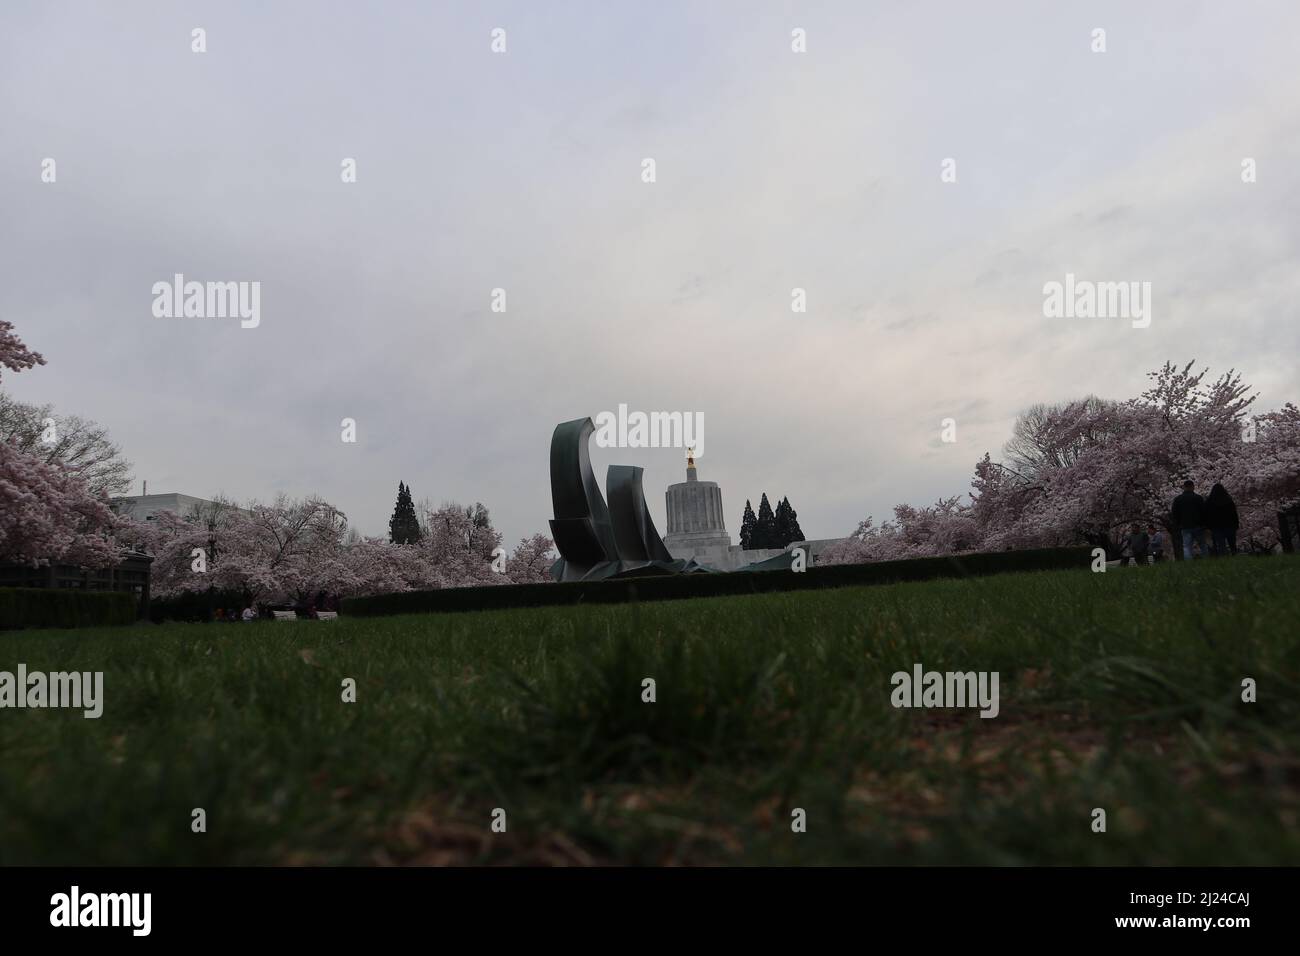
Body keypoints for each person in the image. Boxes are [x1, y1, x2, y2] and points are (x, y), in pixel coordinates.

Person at [1171, 480, 1207, 560]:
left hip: (1185, 526)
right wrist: (1204, 524)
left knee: (1187, 546)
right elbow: (1203, 511)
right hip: (1198, 525)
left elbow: (1174, 513)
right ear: (1193, 487)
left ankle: (1188, 562)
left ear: (1184, 487)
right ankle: (1206, 559)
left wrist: (1178, 524)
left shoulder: (1178, 499)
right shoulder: (1198, 498)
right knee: (1202, 545)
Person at [1204, 482, 1240, 557]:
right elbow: (1234, 513)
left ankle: (1223, 557)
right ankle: (1234, 554)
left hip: (1216, 526)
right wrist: (1236, 524)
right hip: (1229, 525)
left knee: (1221, 544)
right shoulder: (1228, 500)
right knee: (1232, 543)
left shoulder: (1209, 501)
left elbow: (1206, 515)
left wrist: (1208, 526)